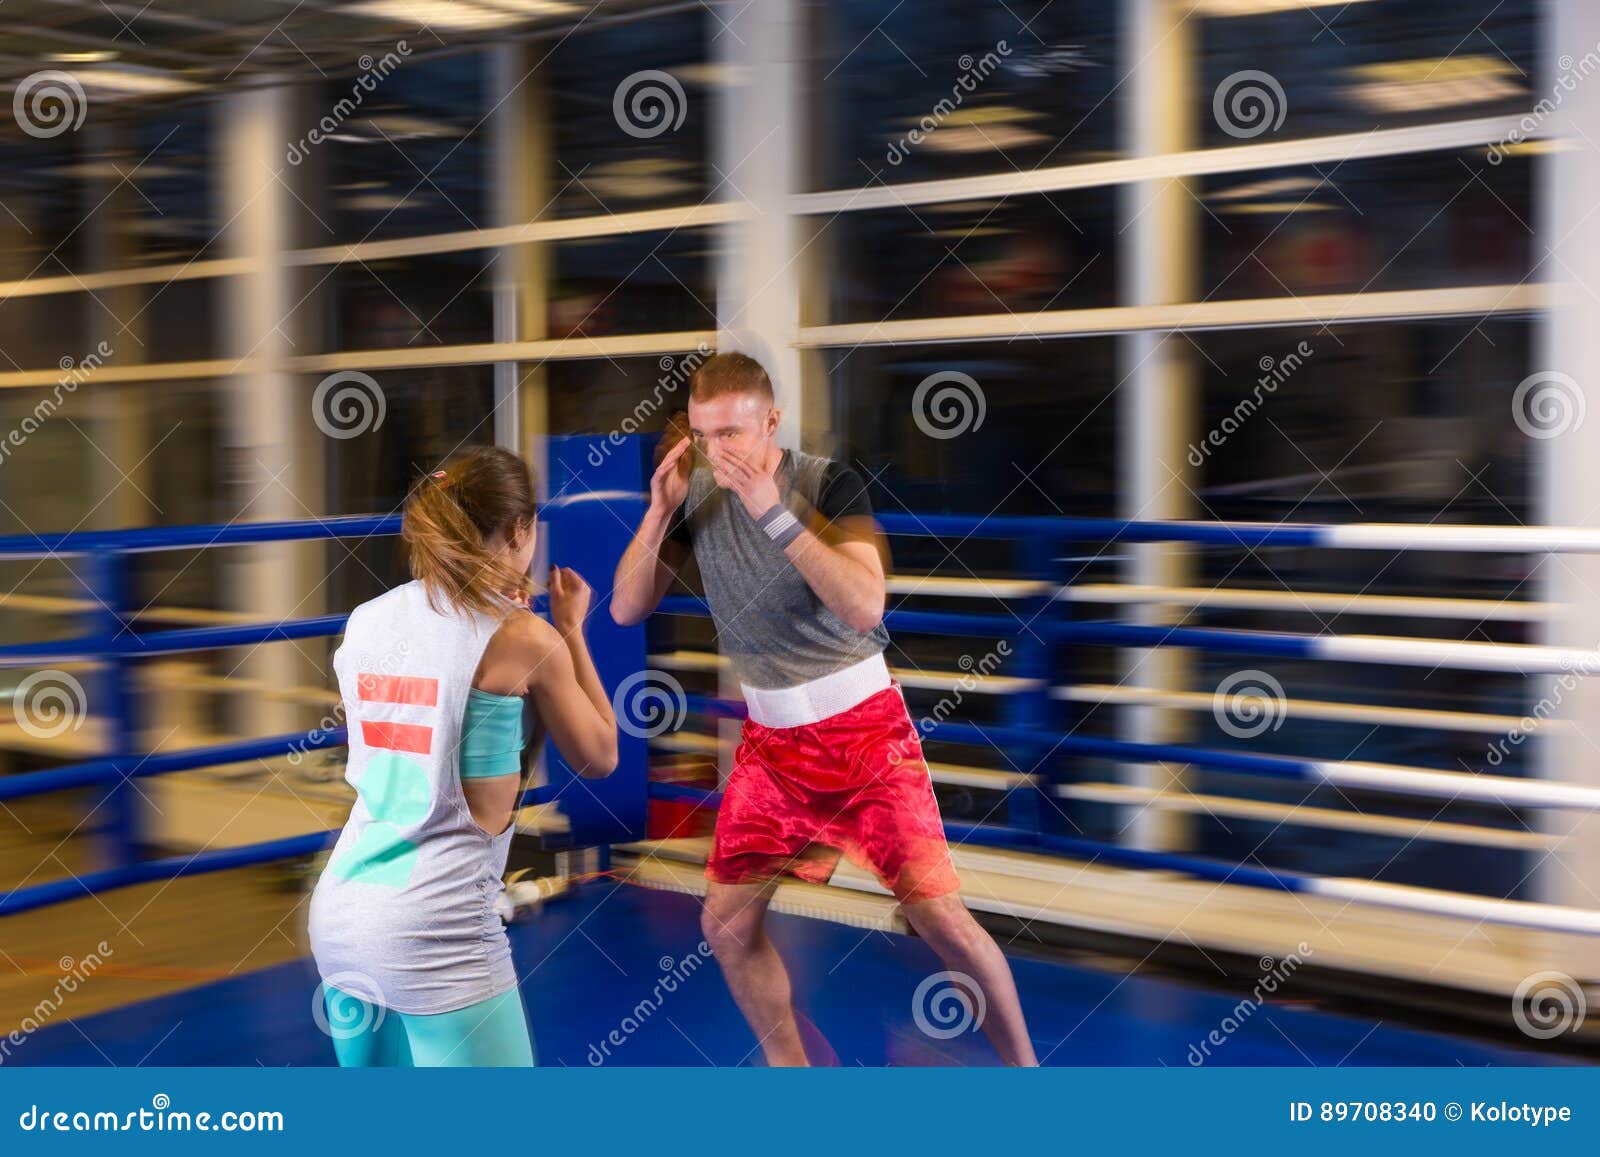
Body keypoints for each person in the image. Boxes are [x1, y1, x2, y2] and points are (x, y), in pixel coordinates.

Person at [610, 352, 1037, 1066]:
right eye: (704, 435)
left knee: (940, 919)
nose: (718, 452)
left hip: (864, 737)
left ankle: (1031, 1079)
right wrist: (658, 511)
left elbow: (866, 603)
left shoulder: (826, 482)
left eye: (732, 433)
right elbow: (626, 608)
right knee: (725, 924)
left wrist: (772, 513)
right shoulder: (696, 496)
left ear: (771, 422)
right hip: (772, 750)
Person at [309, 445, 618, 1066]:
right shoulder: (523, 637)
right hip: (437, 932)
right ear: (518, 531)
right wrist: (569, 631)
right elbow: (600, 756)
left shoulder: (368, 619)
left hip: (343, 916)